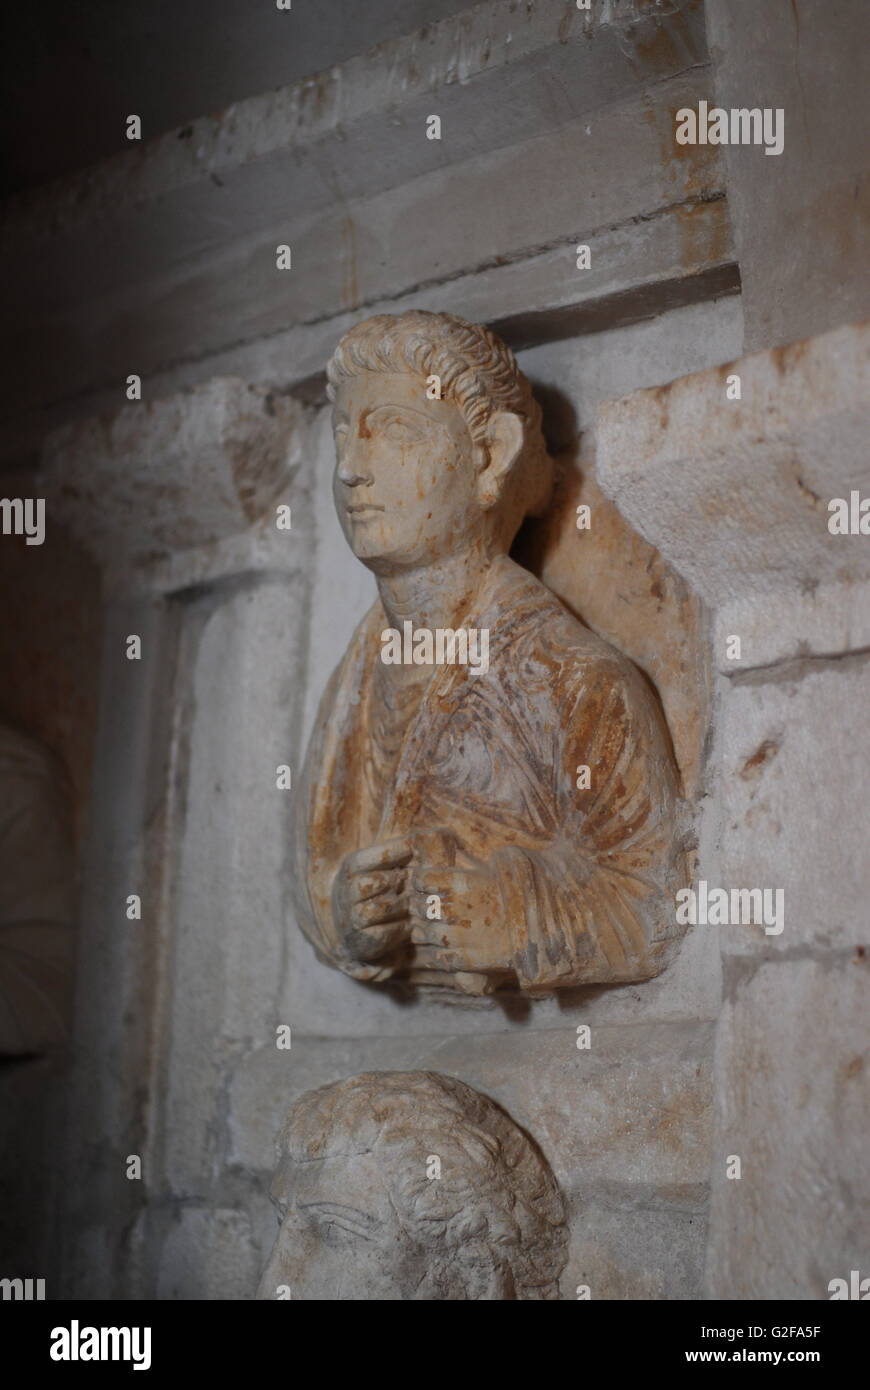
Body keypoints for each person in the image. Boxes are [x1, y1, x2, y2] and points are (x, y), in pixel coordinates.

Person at [293, 310, 687, 996]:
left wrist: (516, 913)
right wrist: (345, 916)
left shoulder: (574, 680)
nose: (353, 469)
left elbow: (655, 898)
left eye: (393, 431)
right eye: (341, 438)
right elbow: (316, 864)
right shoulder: (350, 682)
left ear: (491, 454)